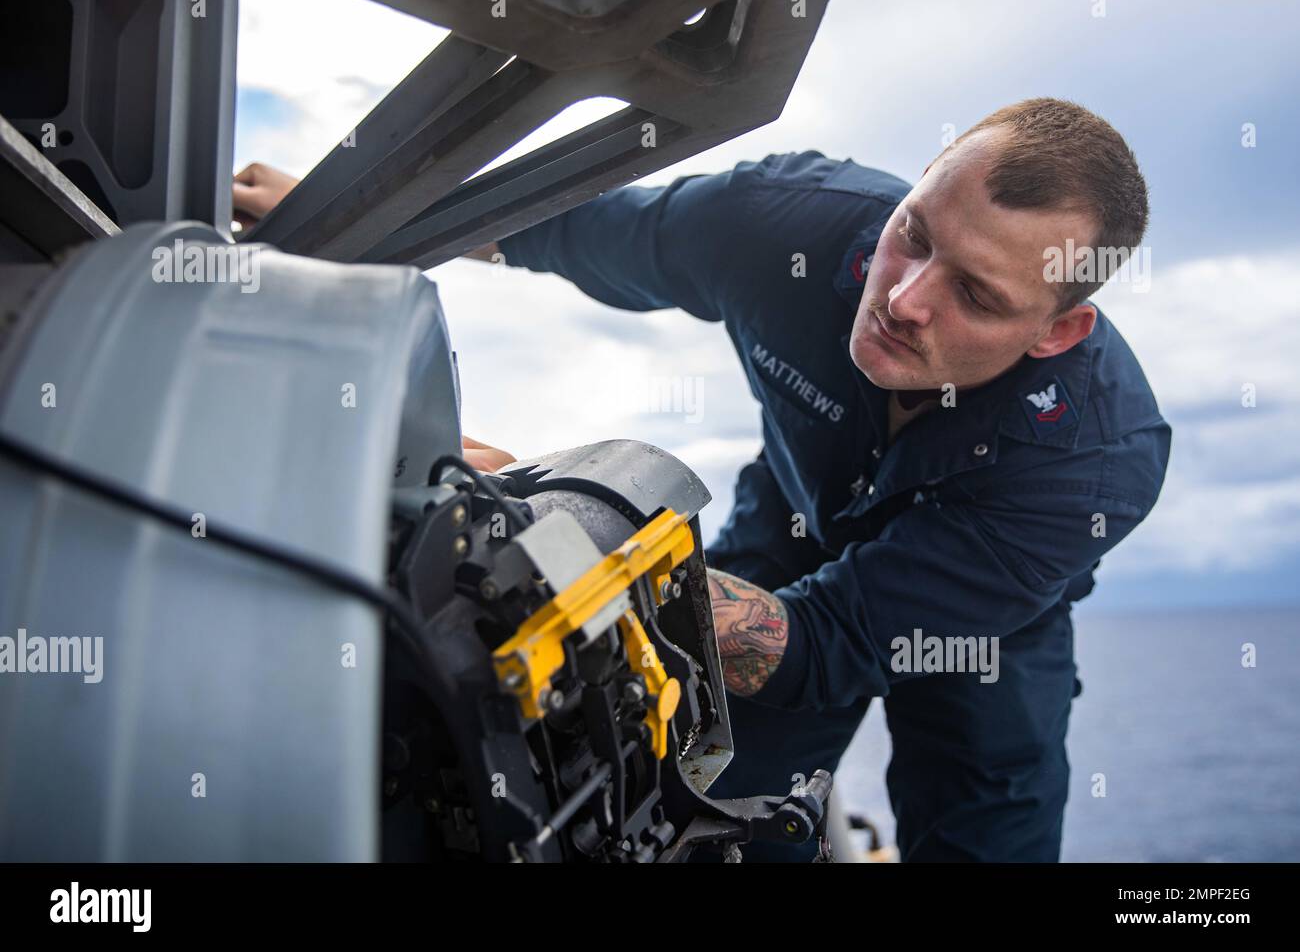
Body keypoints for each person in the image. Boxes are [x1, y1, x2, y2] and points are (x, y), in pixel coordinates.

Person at [234, 98, 1172, 861]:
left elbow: (829, 642)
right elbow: (580, 228)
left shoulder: (1097, 460)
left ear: (1056, 332)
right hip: (793, 520)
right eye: (913, 234)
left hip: (978, 622)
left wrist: (550, 531)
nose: (903, 298)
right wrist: (358, 221)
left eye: (974, 294)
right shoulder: (782, 222)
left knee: (986, 830)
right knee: (706, 809)